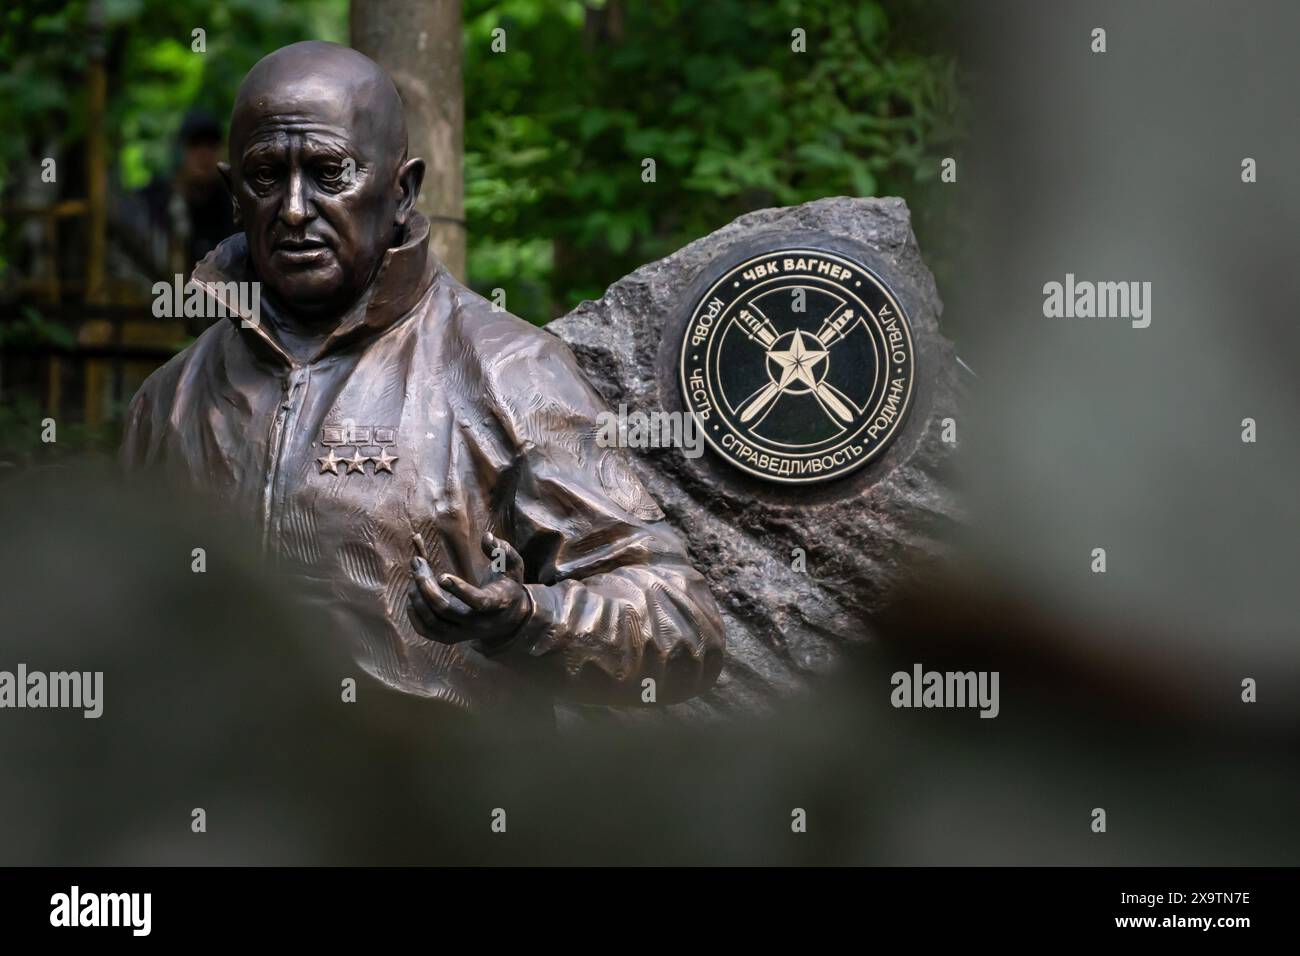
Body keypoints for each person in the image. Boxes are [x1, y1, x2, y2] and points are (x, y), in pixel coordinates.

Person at [119, 41, 724, 716]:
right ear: (235, 195)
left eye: (328, 172)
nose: (293, 208)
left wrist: (530, 618)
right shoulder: (170, 398)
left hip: (435, 812)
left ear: (401, 190)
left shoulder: (508, 372)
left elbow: (680, 619)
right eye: (267, 176)